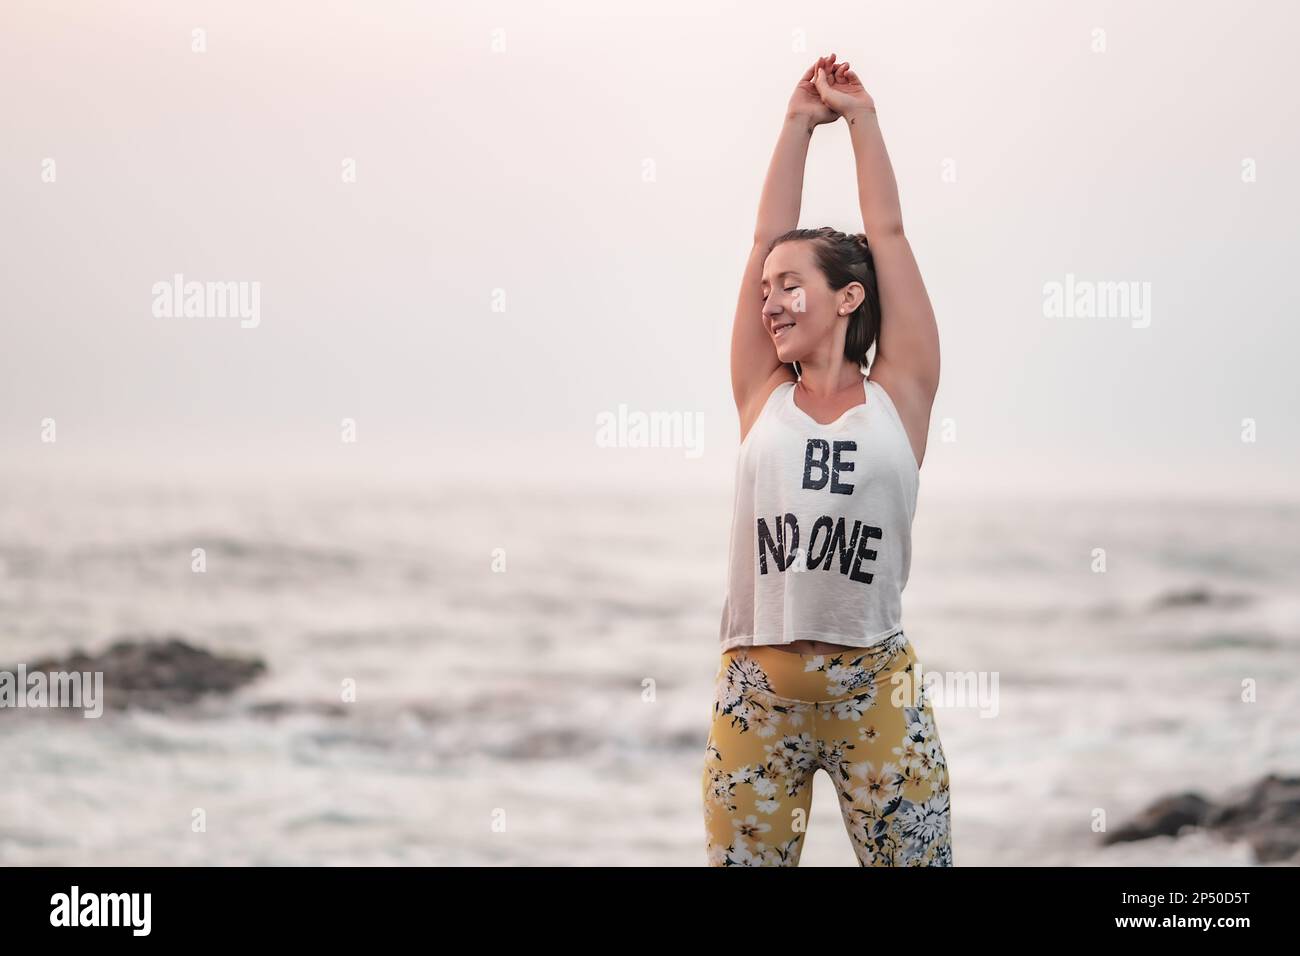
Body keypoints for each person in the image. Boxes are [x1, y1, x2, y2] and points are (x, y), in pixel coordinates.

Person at [702, 53, 952, 866]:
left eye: (790, 285)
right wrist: (796, 125)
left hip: (877, 689)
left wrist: (862, 121)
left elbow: (889, 235)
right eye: (764, 290)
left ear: (849, 296)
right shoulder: (760, 398)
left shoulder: (899, 397)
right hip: (756, 695)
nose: (769, 300)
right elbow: (759, 240)